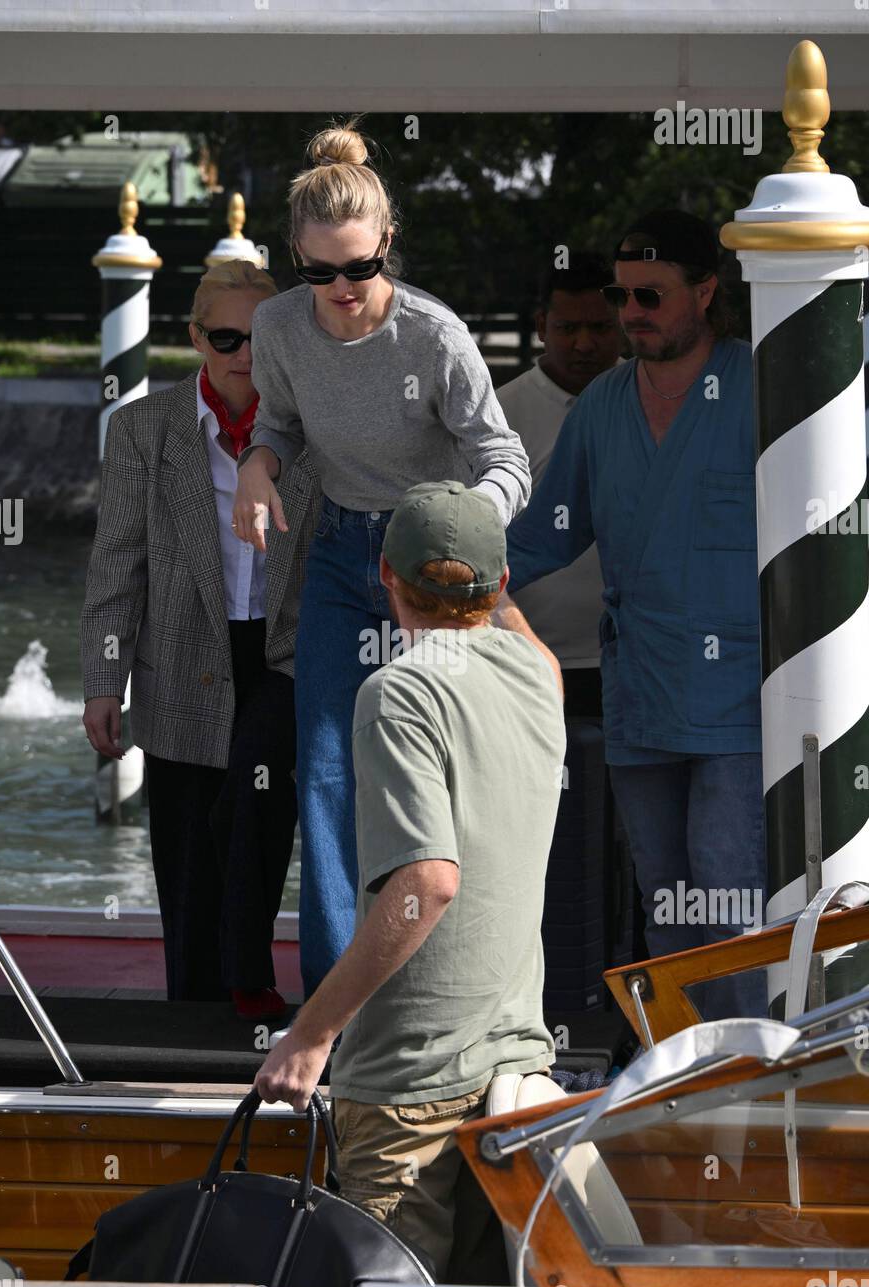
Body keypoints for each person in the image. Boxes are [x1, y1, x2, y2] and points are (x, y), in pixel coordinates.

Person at [231, 119, 532, 998]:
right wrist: (257, 461)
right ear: (295, 258)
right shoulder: (281, 327)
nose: (342, 289)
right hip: (338, 553)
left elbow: (504, 460)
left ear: (387, 245)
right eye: (319, 272)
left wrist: (462, 526)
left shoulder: (435, 337)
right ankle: (338, 1002)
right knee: (322, 767)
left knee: (439, 766)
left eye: (359, 269)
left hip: (434, 570)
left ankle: (447, 988)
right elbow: (281, 423)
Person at [254, 479, 565, 1282]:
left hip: (406, 1086)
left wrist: (312, 1034)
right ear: (499, 586)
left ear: (385, 579)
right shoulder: (540, 678)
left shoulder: (399, 693)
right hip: (515, 1070)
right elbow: (514, 624)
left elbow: (426, 882)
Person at [505, 209, 766, 1019]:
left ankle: (751, 1068)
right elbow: (550, 530)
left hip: (744, 702)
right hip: (640, 693)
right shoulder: (602, 408)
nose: (631, 313)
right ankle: (680, 1074)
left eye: (650, 294)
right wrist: (457, 571)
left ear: (706, 291)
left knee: (730, 892)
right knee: (666, 896)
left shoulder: (768, 387)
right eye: (623, 297)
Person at [80, 259, 319, 1018]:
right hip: (182, 657)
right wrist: (101, 681)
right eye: (225, 337)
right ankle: (192, 1012)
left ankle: (247, 977)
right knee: (184, 853)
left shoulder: (315, 429)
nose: (243, 354)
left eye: (259, 338)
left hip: (282, 655)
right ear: (194, 339)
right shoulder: (143, 429)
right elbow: (118, 565)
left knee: (252, 804)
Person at [496, 252, 622, 715]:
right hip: (525, 659)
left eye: (601, 328)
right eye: (568, 329)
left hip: (635, 660)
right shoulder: (497, 416)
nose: (584, 344)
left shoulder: (654, 398)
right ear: (541, 325)